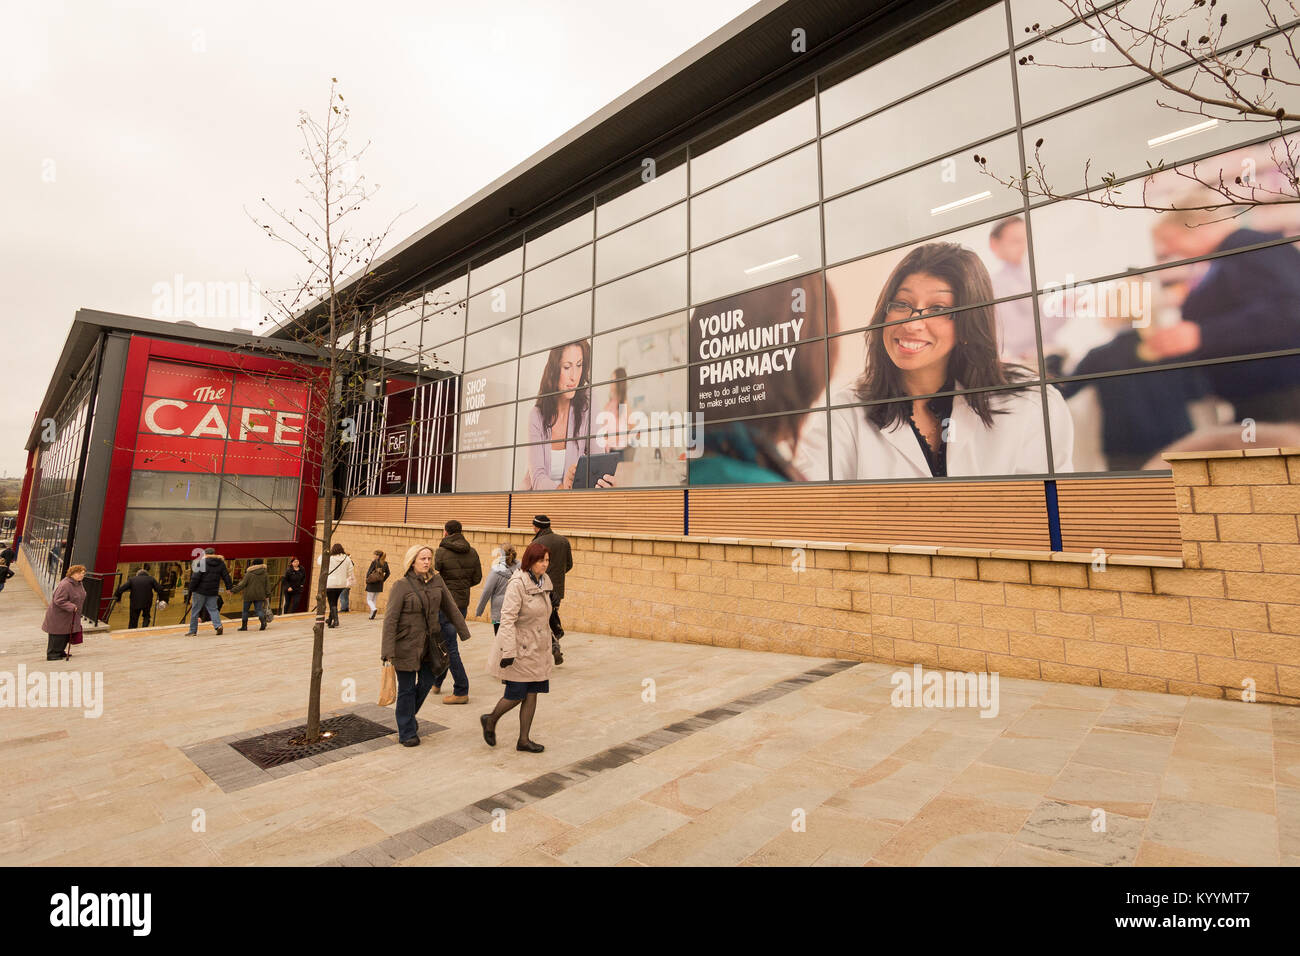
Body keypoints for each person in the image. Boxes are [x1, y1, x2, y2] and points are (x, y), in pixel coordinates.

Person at [799, 242, 1073, 480]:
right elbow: (811, 510)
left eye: (938, 309)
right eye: (901, 304)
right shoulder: (845, 412)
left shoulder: (1032, 404)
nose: (913, 323)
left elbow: (1050, 514)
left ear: (969, 323)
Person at [1148, 207, 1300, 420]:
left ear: (1199, 222)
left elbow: (1289, 311)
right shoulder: (1229, 257)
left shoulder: (1252, 248)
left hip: (1281, 398)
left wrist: (1202, 334)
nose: (1170, 248)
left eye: (1170, 238)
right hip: (1263, 399)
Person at [381, 544, 471, 747]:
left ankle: (407, 718)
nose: (427, 562)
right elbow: (390, 620)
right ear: (412, 561)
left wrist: (463, 632)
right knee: (406, 689)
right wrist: (387, 651)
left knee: (426, 682)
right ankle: (406, 732)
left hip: (431, 645)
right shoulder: (401, 585)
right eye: (422, 559)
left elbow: (450, 607)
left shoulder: (437, 581)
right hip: (405, 645)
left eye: (429, 558)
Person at [480, 542, 554, 754]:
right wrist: (509, 651)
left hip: (538, 647)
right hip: (519, 647)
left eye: (547, 561)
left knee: (532, 693)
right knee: (516, 693)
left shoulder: (545, 581)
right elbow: (507, 619)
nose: (545, 565)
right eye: (541, 561)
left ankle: (524, 740)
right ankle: (490, 719)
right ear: (531, 561)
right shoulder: (517, 583)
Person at [522, 339, 607, 489]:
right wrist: (564, 488)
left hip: (573, 502)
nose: (574, 377)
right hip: (540, 502)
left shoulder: (588, 400)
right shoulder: (536, 416)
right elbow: (537, 478)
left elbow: (597, 461)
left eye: (579, 365)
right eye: (567, 367)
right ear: (554, 371)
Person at [531, 515, 572, 665]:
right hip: (558, 589)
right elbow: (569, 565)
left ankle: (551, 647)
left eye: (534, 526)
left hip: (540, 588)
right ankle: (554, 646)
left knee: (541, 620)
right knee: (551, 616)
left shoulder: (537, 543)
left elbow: (531, 567)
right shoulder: (563, 541)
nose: (533, 528)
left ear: (538, 527)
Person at [185, 548, 232, 636]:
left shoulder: (202, 562)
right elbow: (226, 576)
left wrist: (191, 589)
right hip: (213, 591)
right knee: (213, 609)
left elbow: (195, 577)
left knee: (195, 610)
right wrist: (229, 587)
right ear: (214, 554)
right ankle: (218, 626)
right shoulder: (221, 563)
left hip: (200, 591)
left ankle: (192, 631)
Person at [44, 564, 87, 661]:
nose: (81, 575)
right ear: (72, 574)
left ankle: (60, 651)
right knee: (57, 635)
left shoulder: (79, 583)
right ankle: (52, 654)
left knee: (66, 634)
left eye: (83, 573)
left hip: (70, 615)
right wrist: (71, 606)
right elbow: (58, 600)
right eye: (79, 573)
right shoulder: (65, 584)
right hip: (59, 615)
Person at [475, 545, 520, 633]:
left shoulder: (496, 571)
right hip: (516, 609)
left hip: (499, 612)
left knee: (500, 642)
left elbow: (487, 591)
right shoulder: (521, 568)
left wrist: (479, 610)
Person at [114, 564, 164, 629]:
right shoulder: (151, 579)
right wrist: (160, 599)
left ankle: (132, 632)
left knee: (133, 619)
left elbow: (121, 589)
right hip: (147, 602)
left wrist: (118, 598)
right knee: (146, 616)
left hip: (135, 603)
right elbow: (160, 589)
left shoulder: (132, 579)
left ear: (137, 574)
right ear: (146, 574)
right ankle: (144, 628)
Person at [232, 557, 272, 631]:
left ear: (253, 564)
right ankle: (263, 622)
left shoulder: (249, 573)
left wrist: (233, 590)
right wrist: (268, 595)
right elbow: (268, 585)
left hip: (248, 595)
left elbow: (242, 584)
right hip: (260, 595)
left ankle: (244, 626)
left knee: (245, 611)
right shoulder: (265, 573)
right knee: (259, 610)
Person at [325, 543, 354, 628]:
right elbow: (350, 570)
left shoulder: (330, 558)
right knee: (334, 601)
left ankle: (336, 620)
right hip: (341, 583)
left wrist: (326, 552)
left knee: (332, 602)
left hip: (330, 583)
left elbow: (319, 561)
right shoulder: (347, 558)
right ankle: (330, 620)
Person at [365, 550, 390, 620]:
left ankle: (374, 609)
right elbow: (388, 573)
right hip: (379, 584)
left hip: (372, 583)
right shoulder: (385, 563)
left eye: (375, 555)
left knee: (369, 600)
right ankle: (371, 615)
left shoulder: (374, 562)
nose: (374, 556)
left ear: (378, 556)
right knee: (374, 599)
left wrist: (367, 579)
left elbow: (369, 572)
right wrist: (383, 580)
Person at [339, 546, 354, 613]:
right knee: (346, 595)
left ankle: (343, 608)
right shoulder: (351, 563)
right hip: (349, 581)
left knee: (342, 595)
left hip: (344, 581)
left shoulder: (346, 564)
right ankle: (346, 607)